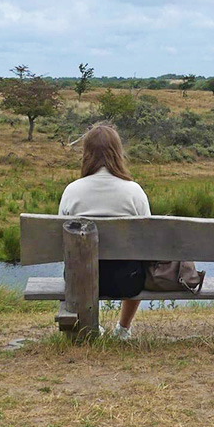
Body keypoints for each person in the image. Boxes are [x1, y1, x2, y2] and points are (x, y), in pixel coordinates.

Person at [58, 122, 149, 339]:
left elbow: (61, 241)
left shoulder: (72, 191)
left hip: (79, 279)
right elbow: (148, 241)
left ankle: (90, 328)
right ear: (118, 153)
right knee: (140, 262)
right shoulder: (133, 191)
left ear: (86, 154)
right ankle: (123, 329)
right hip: (128, 280)